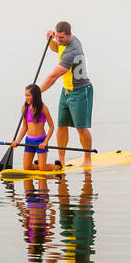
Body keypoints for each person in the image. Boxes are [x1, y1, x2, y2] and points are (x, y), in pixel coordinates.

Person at [38, 21, 93, 166]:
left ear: (69, 35)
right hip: (66, 91)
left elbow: (53, 77)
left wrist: (37, 92)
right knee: (61, 125)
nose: (58, 40)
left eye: (61, 38)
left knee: (81, 128)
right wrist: (50, 39)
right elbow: (56, 48)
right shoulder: (63, 42)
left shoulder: (72, 52)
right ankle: (61, 159)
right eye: (56, 37)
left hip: (81, 92)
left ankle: (87, 159)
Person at [11, 83, 55, 172]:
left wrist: (45, 142)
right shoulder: (25, 108)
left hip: (41, 141)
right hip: (29, 141)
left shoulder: (43, 108)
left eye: (28, 95)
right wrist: (17, 141)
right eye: (25, 95)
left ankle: (57, 166)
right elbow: (24, 127)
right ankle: (39, 164)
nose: (26, 98)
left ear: (35, 96)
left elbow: (52, 127)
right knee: (27, 167)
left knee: (43, 168)